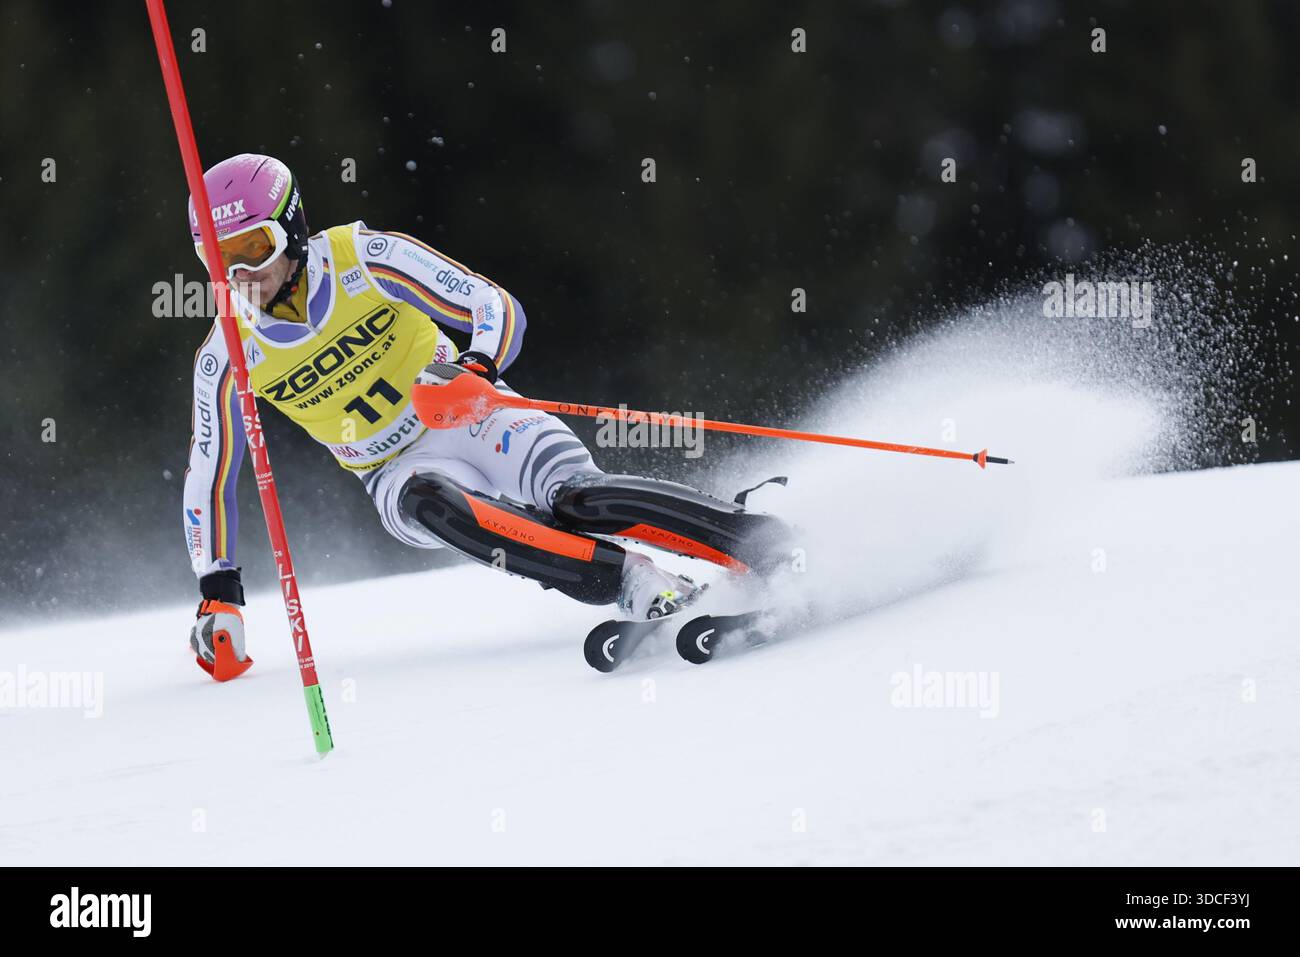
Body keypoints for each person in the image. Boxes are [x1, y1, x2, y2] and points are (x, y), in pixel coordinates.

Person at [183, 153, 788, 680]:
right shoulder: (227, 351)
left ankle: (763, 544)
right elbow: (209, 473)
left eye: (252, 248)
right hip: (392, 469)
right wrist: (219, 594)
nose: (241, 275)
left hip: (474, 416)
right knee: (433, 503)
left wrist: (473, 369)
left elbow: (491, 303)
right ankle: (632, 581)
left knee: (575, 499)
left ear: (291, 227)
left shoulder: (362, 258)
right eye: (219, 258)